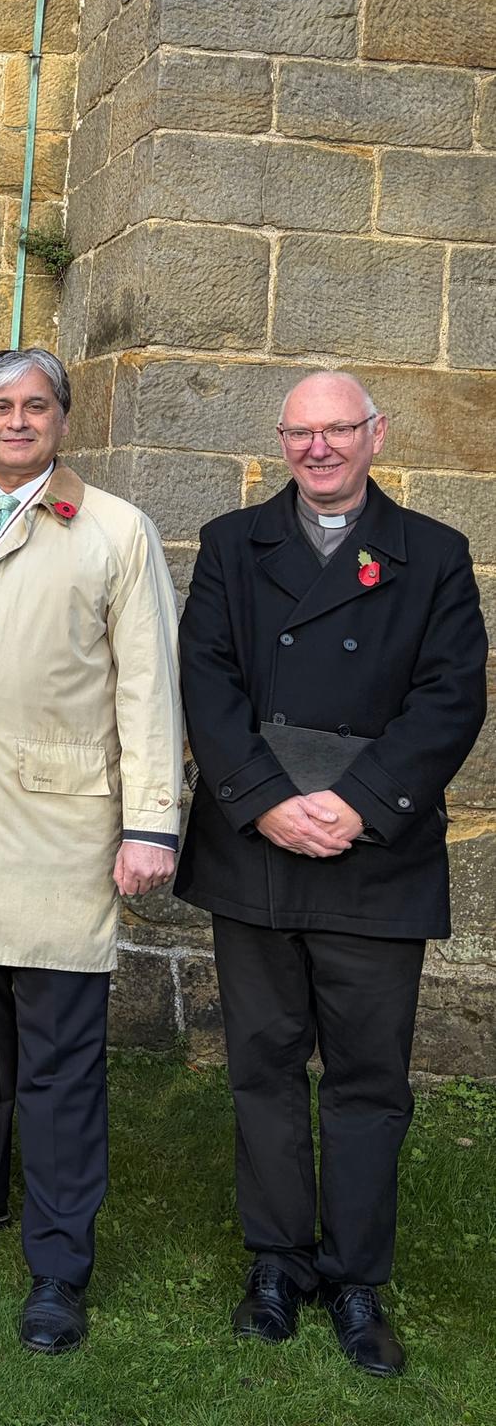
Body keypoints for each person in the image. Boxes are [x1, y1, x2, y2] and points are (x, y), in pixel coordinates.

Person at [175, 371, 487, 1377]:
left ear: (373, 434)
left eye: (336, 429)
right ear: (279, 439)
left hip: (373, 852)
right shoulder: (229, 543)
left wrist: (355, 804)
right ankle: (273, 1260)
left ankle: (353, 1276)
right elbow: (204, 679)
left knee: (365, 1076)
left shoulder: (432, 554)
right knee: (261, 1065)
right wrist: (266, 799)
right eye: (298, 431)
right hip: (254, 842)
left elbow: (449, 698)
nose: (317, 447)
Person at [0, 348, 182, 1354]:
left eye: (35, 405)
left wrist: (149, 821)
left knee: (55, 1061)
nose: (17, 420)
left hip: (57, 828)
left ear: (61, 419)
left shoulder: (111, 529)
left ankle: (57, 1262)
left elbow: (146, 685)